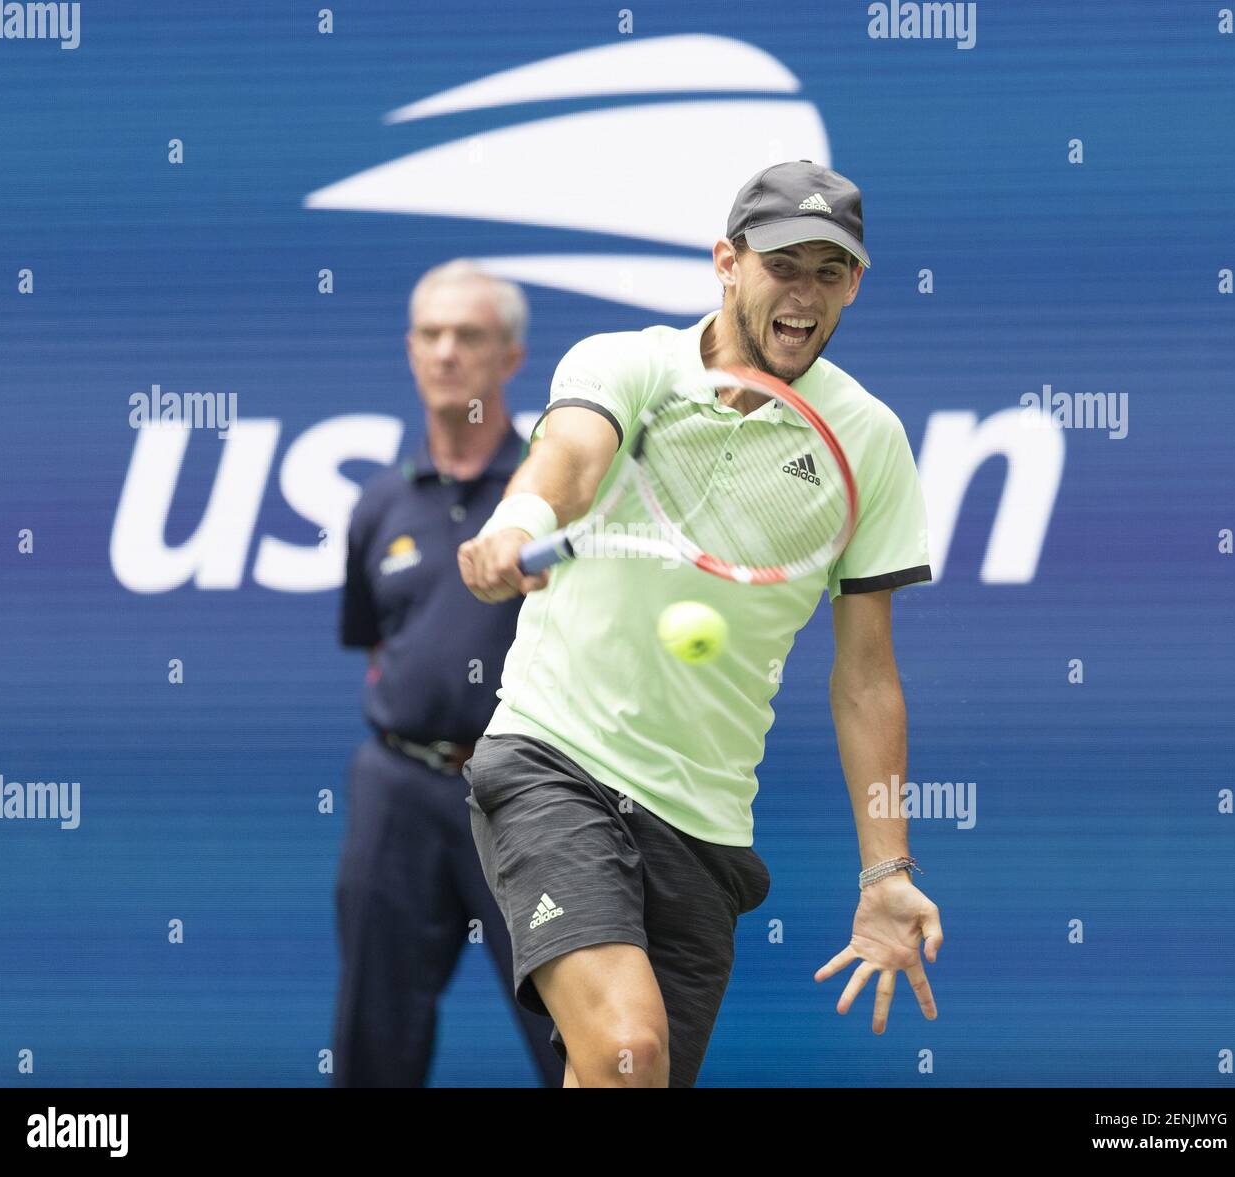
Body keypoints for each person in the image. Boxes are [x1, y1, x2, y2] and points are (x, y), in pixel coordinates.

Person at [457, 162, 945, 1088]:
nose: (803, 294)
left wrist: (886, 869)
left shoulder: (868, 439)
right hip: (555, 760)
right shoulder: (627, 363)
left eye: (828, 273)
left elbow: (867, 676)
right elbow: (570, 452)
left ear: (856, 285)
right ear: (727, 261)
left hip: (704, 826)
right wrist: (519, 523)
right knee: (628, 1050)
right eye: (782, 265)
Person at [332, 260, 563, 1087]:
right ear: (409, 349)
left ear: (510, 356)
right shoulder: (378, 504)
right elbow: (377, 648)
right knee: (373, 1039)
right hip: (397, 787)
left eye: (469, 335)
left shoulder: (550, 493)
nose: (445, 352)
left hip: (530, 793)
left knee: (577, 1038)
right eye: (430, 334)